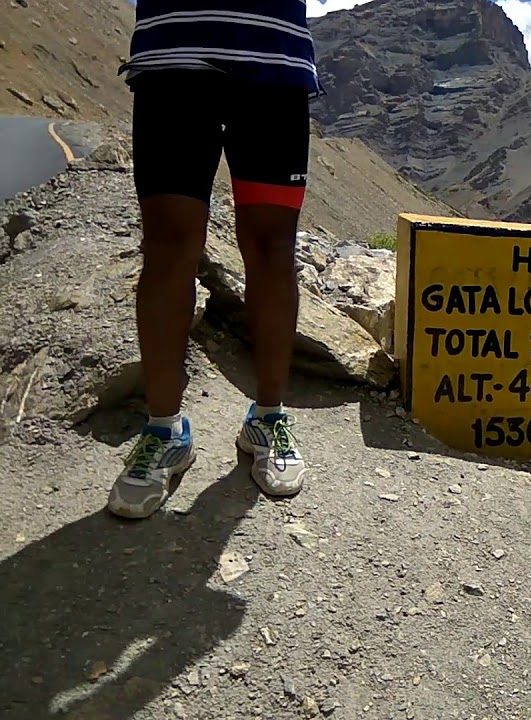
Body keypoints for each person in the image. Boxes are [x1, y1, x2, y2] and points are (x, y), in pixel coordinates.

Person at [107, 2, 322, 519]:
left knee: (272, 248)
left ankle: (267, 418)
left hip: (274, 59)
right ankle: (165, 430)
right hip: (174, 54)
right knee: (167, 246)